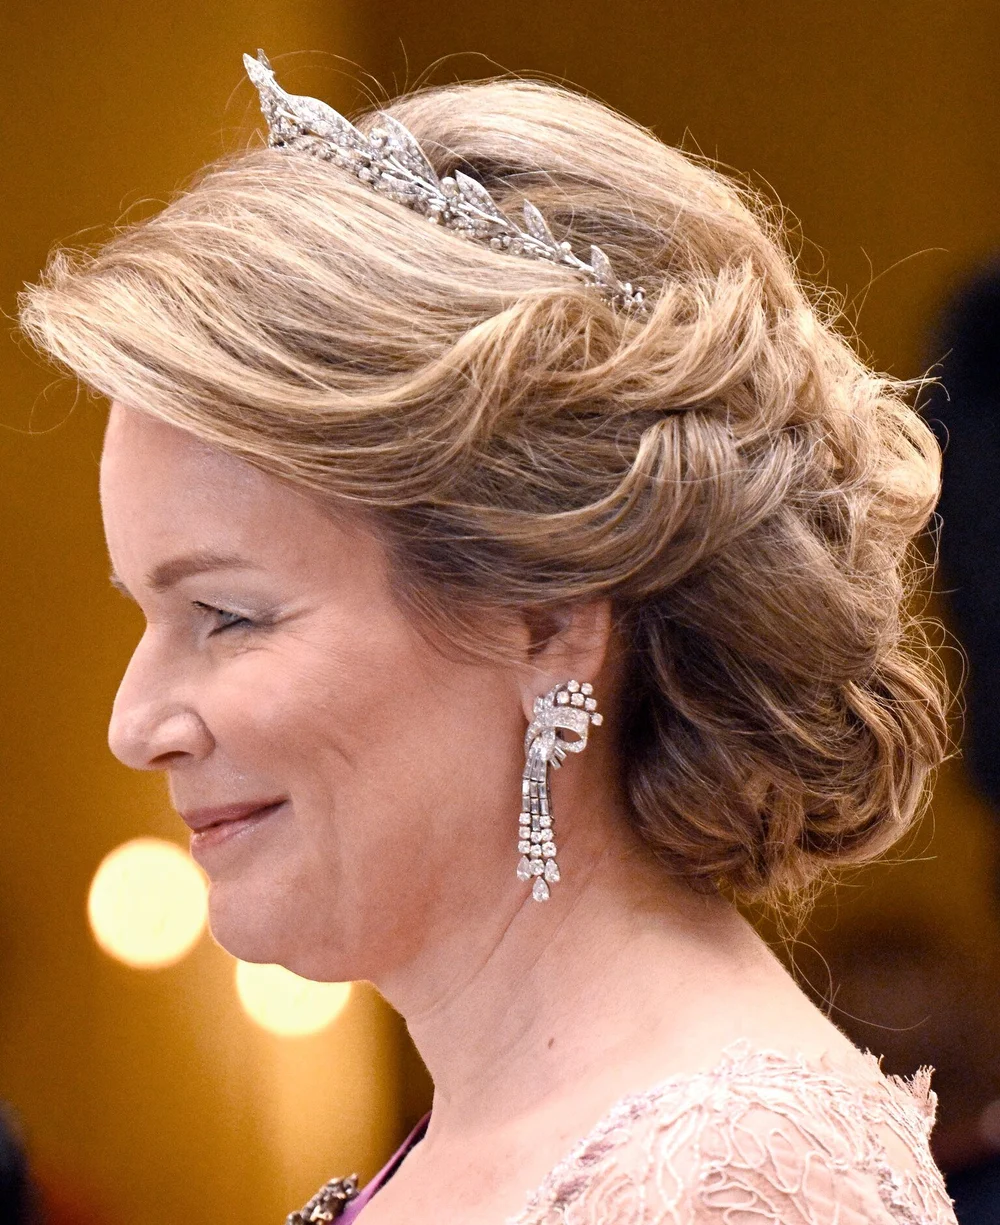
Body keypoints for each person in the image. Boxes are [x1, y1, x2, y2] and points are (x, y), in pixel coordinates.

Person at [20, 50, 956, 1224]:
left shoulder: (727, 1188)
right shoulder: (488, 1135)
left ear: (546, 620)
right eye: (145, 614)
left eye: (226, 615)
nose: (133, 724)